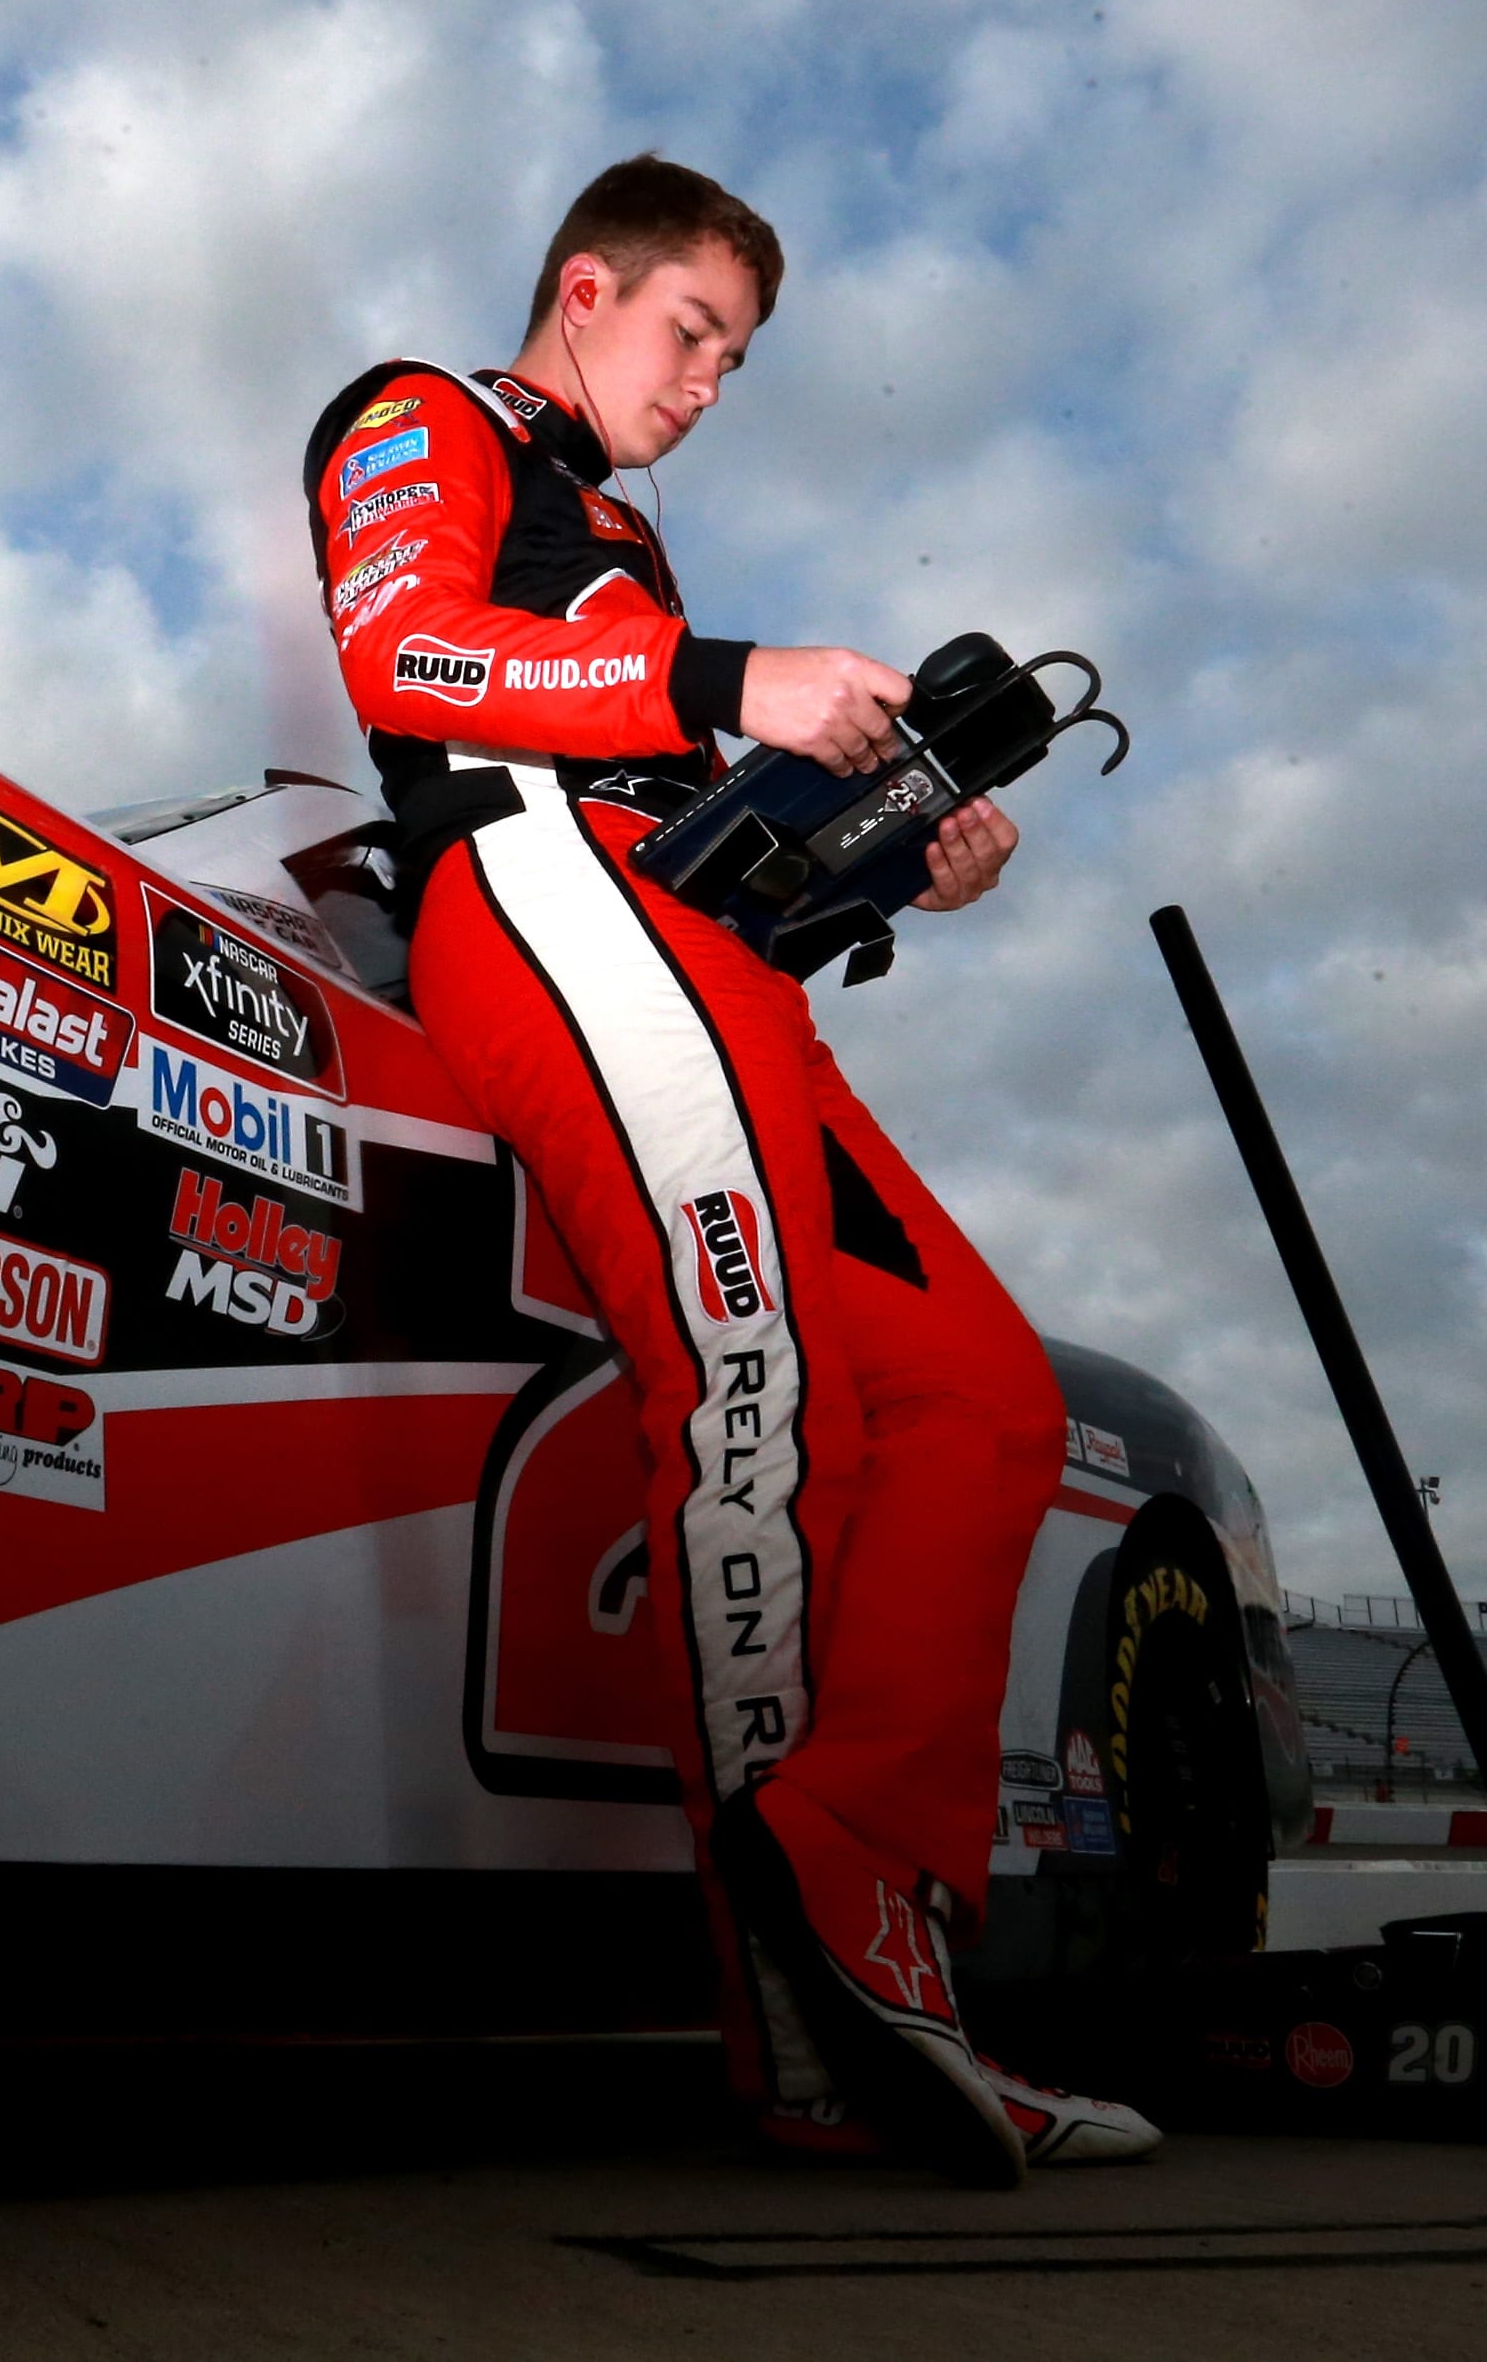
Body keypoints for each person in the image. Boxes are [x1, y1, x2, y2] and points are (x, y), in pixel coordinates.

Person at [306, 154, 1156, 2183]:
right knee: (760, 1397)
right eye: (691, 332)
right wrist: (727, 681)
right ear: (585, 287)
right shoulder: (425, 413)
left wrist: (908, 853)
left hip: (714, 963)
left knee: (983, 1397)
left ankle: (864, 1925)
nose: (705, 387)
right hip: (537, 902)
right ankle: (820, 2013)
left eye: (736, 362)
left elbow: (724, 842)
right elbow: (406, 660)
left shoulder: (624, 546)